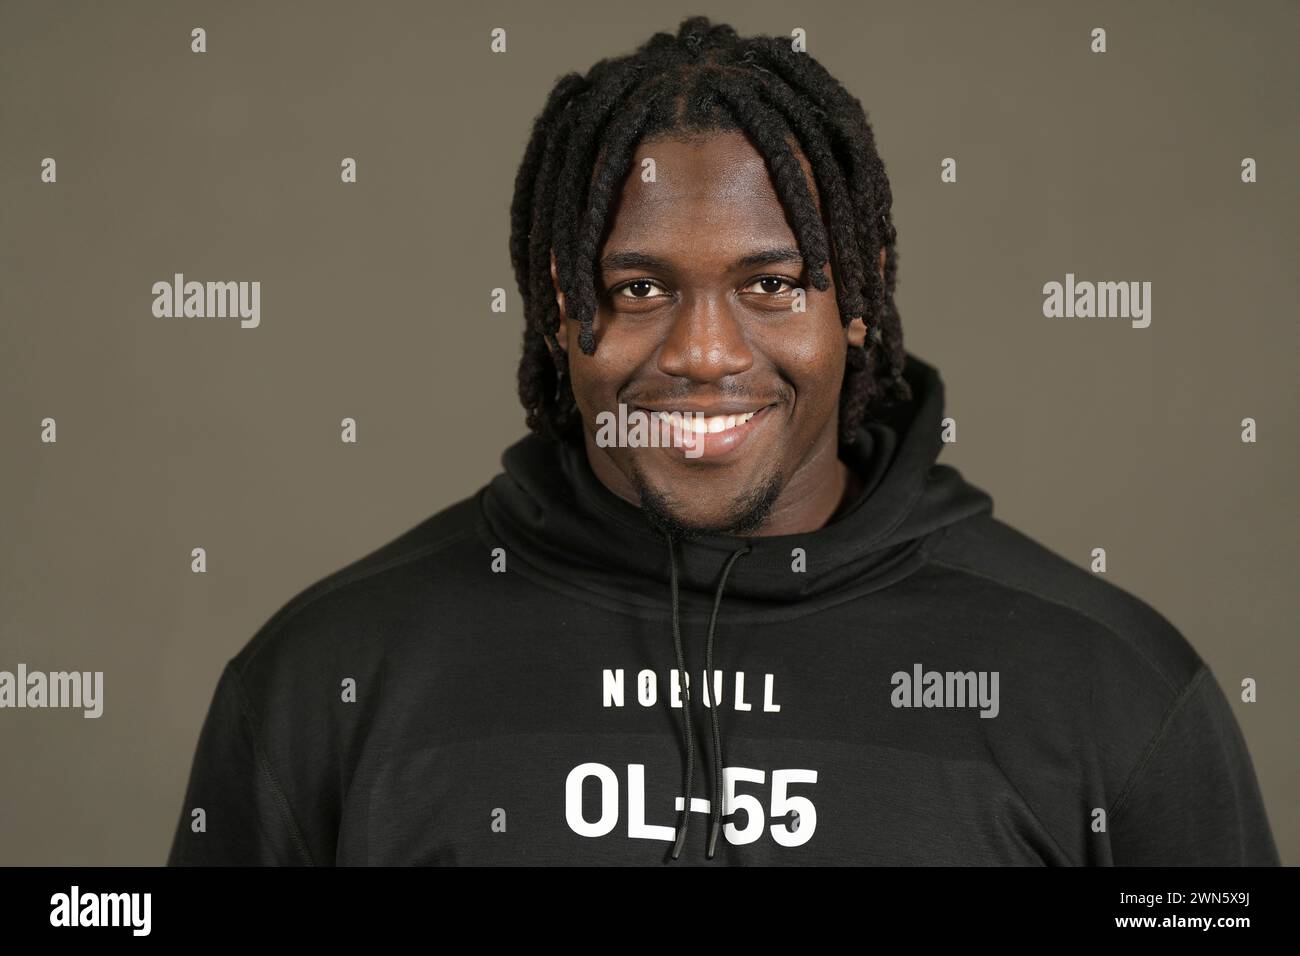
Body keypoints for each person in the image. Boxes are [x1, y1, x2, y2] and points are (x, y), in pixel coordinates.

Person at [167, 17, 1279, 865]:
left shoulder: (1108, 687)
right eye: (639, 286)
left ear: (859, 296)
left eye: (772, 282)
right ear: (561, 304)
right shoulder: (332, 677)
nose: (704, 351)